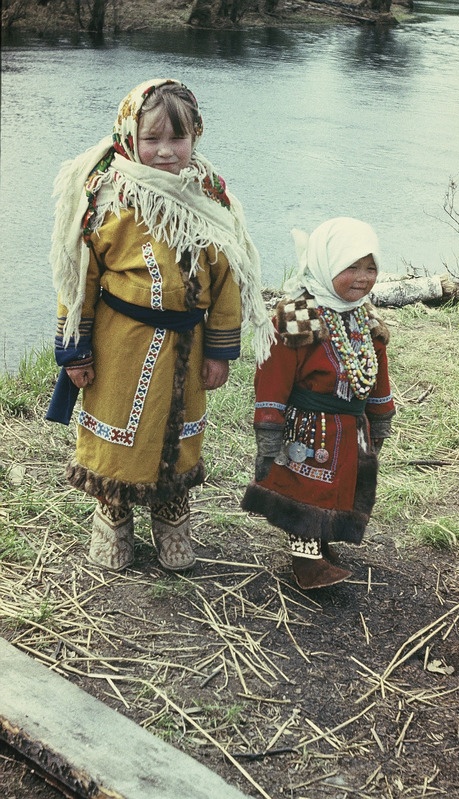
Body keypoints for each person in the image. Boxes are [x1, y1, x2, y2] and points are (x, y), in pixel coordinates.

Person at [47, 78, 273, 573]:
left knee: (179, 434)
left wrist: (219, 350)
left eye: (179, 138)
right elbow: (78, 280)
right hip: (119, 347)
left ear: (197, 135)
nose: (166, 152)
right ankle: (113, 511)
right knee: (118, 437)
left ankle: (171, 511)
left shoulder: (211, 200)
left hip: (188, 346)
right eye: (152, 139)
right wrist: (76, 351)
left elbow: (227, 280)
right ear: (130, 136)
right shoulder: (107, 199)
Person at [242, 217, 395, 590]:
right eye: (351, 267)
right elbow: (273, 377)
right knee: (305, 489)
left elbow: (377, 373)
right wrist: (269, 429)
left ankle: (321, 544)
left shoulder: (366, 319)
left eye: (370, 267)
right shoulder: (295, 318)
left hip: (349, 429)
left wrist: (380, 417)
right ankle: (306, 561)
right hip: (309, 429)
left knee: (340, 488)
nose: (363, 277)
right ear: (326, 264)